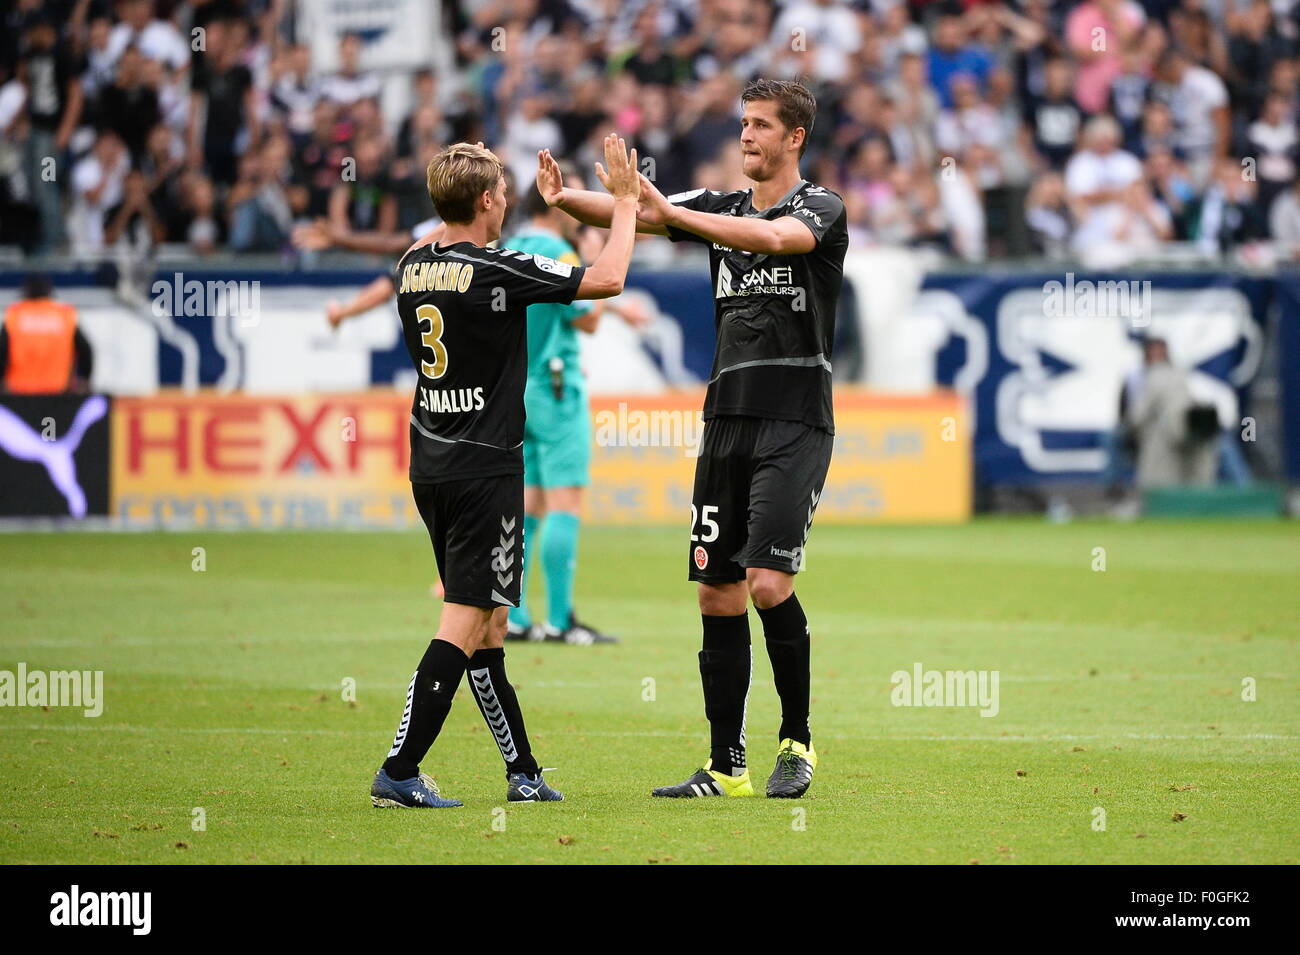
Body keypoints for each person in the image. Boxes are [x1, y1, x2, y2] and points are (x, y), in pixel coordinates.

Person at [542, 79, 848, 799]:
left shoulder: (821, 208)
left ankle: (797, 741)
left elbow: (776, 238)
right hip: (725, 420)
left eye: (761, 125)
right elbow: (640, 214)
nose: (745, 136)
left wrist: (674, 214)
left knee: (769, 583)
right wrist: (567, 202)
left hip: (795, 418)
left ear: (794, 137)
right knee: (718, 593)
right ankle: (724, 766)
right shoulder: (719, 208)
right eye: (742, 123)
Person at [369, 136, 641, 809]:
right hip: (485, 469)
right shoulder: (496, 269)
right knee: (463, 621)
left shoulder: (412, 265)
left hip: (431, 461)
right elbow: (604, 281)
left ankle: (523, 770)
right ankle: (399, 769)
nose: (507, 209)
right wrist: (627, 205)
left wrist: (461, 170)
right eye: (502, 197)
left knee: (491, 623)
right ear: (487, 201)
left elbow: (444, 229)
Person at [502, 162, 649, 646]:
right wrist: (591, 257)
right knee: (565, 500)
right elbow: (585, 316)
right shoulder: (560, 250)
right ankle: (563, 620)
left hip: (515, 390)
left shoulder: (507, 248)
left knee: (528, 505)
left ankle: (518, 617)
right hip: (556, 386)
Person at [0, 274, 93, 394]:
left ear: (26, 293)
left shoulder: (15, 316)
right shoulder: (64, 316)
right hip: (58, 391)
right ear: (49, 293)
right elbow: (86, 349)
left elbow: (2, 352)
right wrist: (85, 378)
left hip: (19, 392)